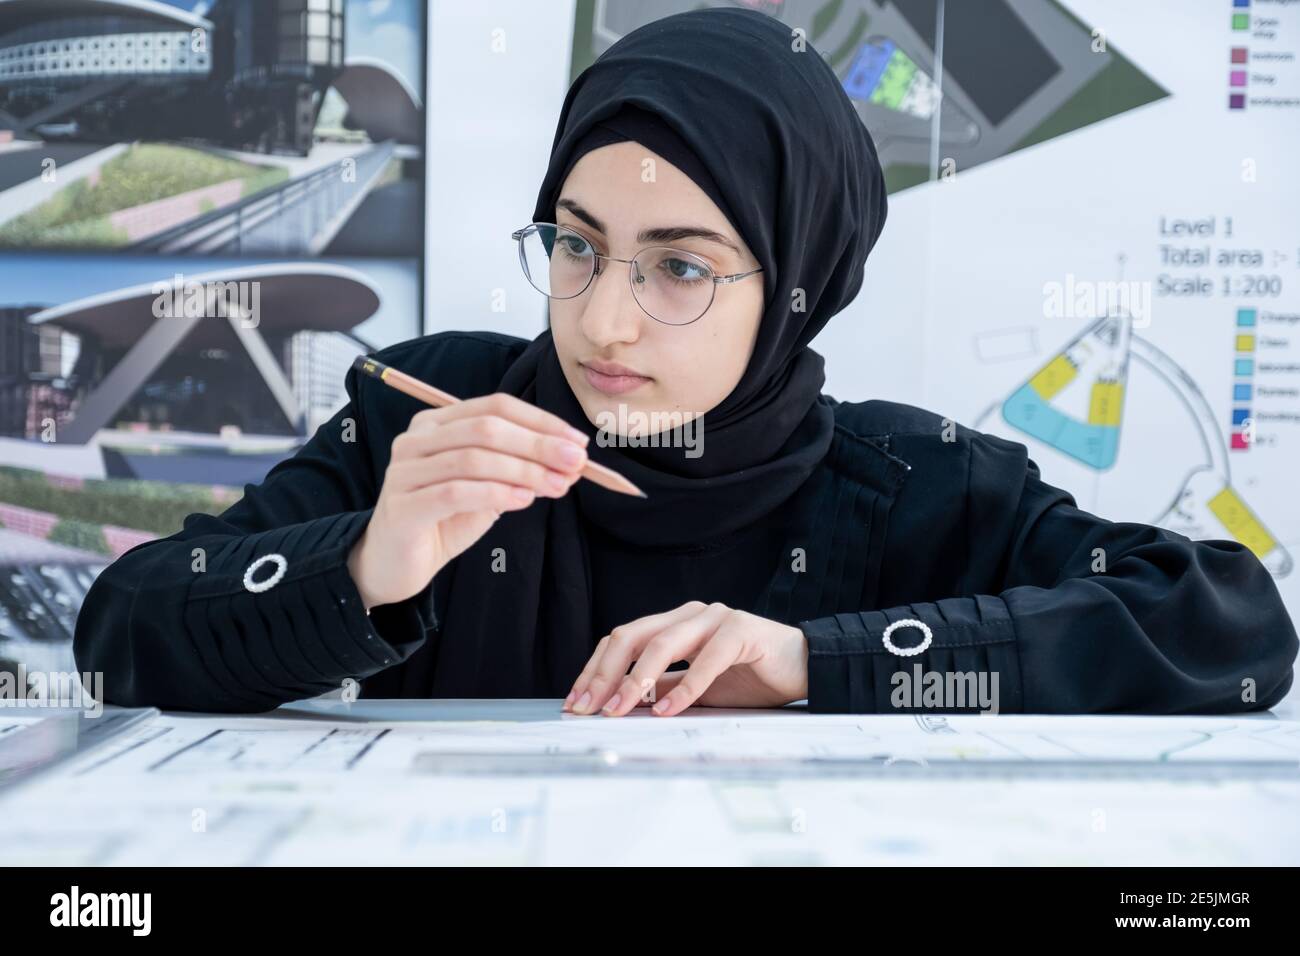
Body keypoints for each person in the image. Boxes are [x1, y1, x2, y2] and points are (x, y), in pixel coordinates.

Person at [74, 8, 1297, 716]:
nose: (603, 323)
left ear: (798, 284)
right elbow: (119, 629)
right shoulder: (435, 416)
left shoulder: (915, 481)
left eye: (680, 267)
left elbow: (1229, 628)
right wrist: (366, 567)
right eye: (576, 246)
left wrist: (813, 661)